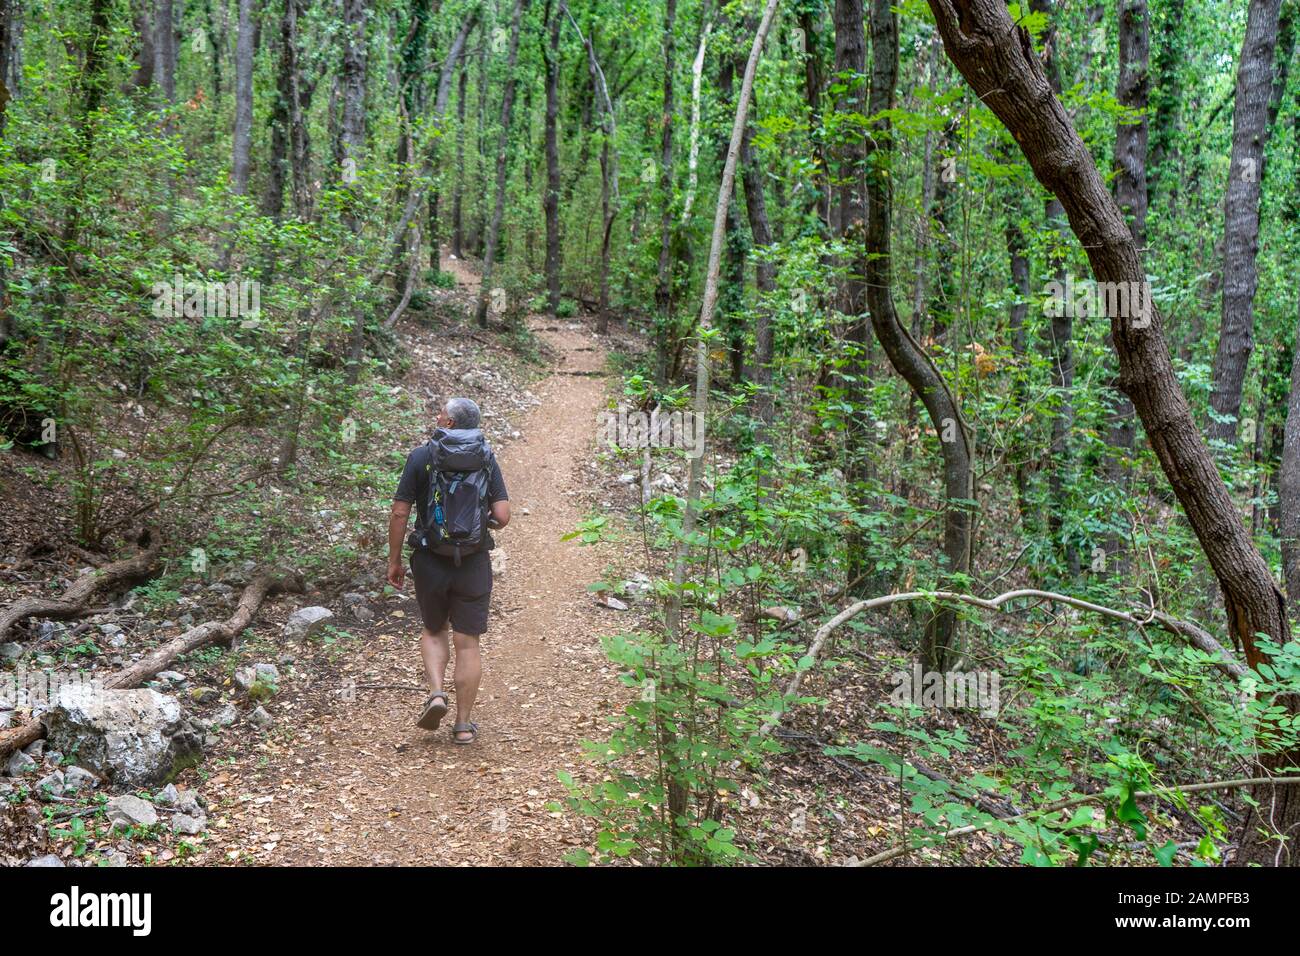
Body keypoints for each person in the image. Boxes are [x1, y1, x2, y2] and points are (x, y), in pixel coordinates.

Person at [387, 397, 510, 744]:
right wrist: (476, 524)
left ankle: (437, 693)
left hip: (429, 560)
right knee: (468, 643)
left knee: (433, 628)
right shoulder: (486, 456)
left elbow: (399, 513)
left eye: (441, 413)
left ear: (451, 423)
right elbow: (502, 516)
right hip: (472, 561)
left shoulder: (421, 456)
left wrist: (394, 560)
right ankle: (463, 725)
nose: (437, 416)